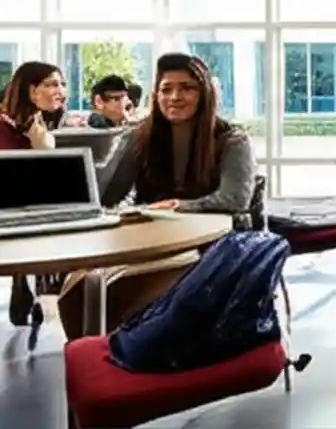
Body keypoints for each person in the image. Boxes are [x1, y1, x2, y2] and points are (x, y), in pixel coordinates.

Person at [59, 53, 259, 340]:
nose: (175, 96)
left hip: (212, 246)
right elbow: (111, 192)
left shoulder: (232, 139)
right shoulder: (141, 135)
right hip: (151, 240)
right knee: (75, 287)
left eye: (186, 88)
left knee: (113, 290)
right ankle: (96, 361)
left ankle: (128, 356)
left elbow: (235, 200)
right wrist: (78, 165)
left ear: (205, 93)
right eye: (166, 89)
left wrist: (180, 206)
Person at [1, 61, 68, 326]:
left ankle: (37, 290)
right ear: (30, 91)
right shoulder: (4, 128)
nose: (60, 91)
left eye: (62, 84)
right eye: (52, 84)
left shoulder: (33, 122)